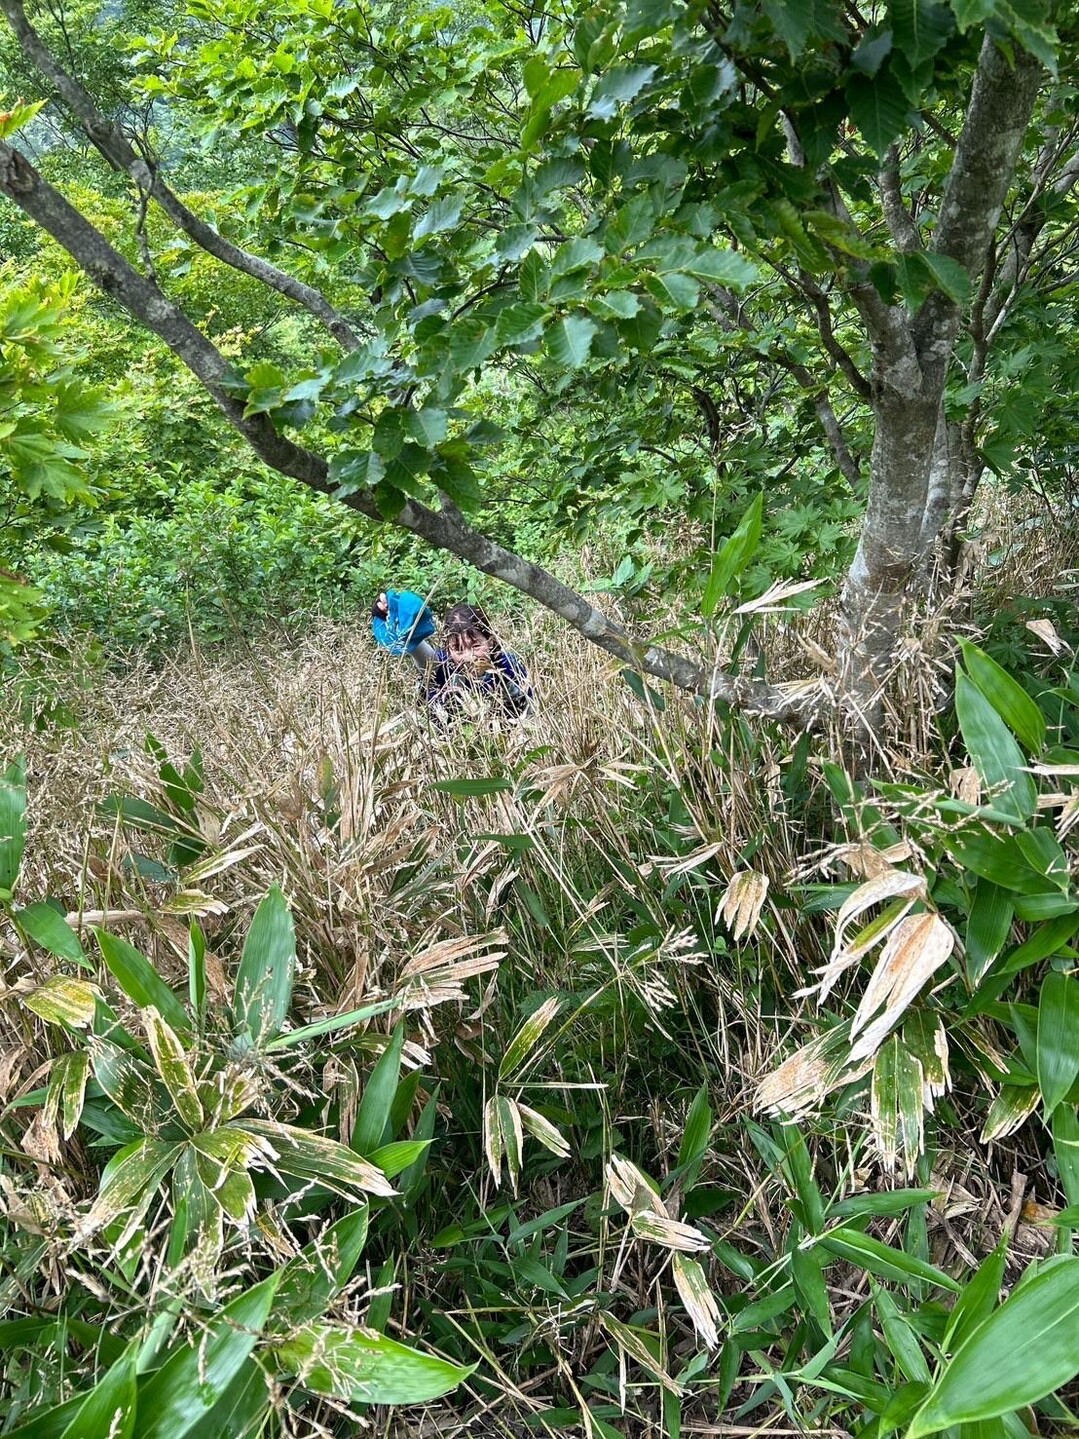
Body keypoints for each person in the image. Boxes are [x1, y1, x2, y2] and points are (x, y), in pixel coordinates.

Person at [425, 602, 533, 722]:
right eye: (458, 649)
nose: (469, 657)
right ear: (448, 650)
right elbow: (425, 662)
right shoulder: (441, 667)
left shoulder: (507, 665)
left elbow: (529, 711)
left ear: (490, 641)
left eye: (476, 646)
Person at [370, 589, 439, 670]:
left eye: (388, 607)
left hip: (433, 663)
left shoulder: (404, 606)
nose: (388, 610)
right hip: (430, 667)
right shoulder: (388, 632)